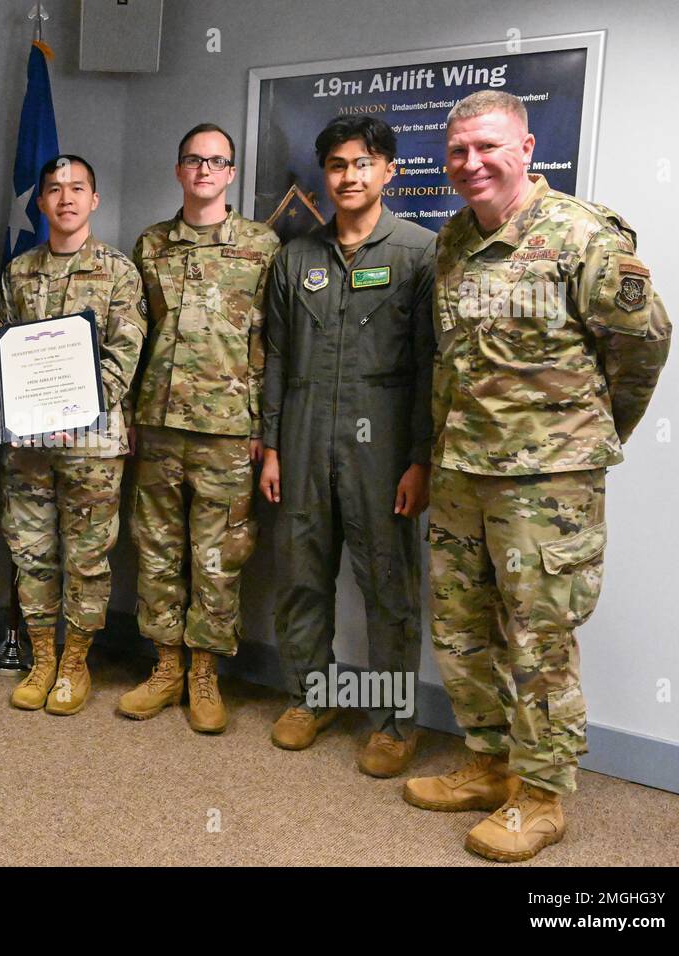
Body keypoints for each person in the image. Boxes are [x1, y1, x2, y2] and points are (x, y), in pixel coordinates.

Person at [403, 91, 671, 861]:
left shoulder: (582, 235)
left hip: (547, 485)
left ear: (526, 150)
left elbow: (642, 348)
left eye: (487, 147)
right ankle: (488, 765)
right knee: (459, 630)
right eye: (458, 152)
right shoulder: (454, 239)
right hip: (462, 471)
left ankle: (544, 794)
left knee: (538, 639)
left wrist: (586, 439)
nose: (471, 163)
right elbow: (450, 362)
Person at [259, 115, 437, 776]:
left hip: (383, 438)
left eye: (363, 163)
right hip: (303, 433)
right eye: (337, 165)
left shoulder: (420, 254)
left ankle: (393, 720)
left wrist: (421, 458)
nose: (349, 176)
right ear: (324, 174)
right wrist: (272, 447)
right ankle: (314, 696)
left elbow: (430, 368)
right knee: (301, 574)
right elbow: (275, 357)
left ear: (388, 170)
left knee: (388, 584)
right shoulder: (295, 256)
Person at [121, 123, 279, 733]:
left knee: (218, 557)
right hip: (159, 424)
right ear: (179, 170)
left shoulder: (262, 246)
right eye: (194, 160)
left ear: (232, 173)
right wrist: (132, 412)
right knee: (157, 550)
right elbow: (138, 334)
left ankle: (205, 673)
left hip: (228, 428)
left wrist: (266, 430)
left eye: (217, 162)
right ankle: (165, 667)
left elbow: (272, 341)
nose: (205, 171)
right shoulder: (152, 244)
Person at [0, 154, 146, 715]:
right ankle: (41, 659)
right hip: (29, 445)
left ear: (94, 200)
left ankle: (75, 662)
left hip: (92, 442)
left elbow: (124, 353)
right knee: (32, 552)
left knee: (86, 557)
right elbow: (5, 352)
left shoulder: (118, 270)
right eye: (55, 189)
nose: (65, 197)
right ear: (39, 202)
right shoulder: (17, 271)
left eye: (77, 187)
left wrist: (72, 408)